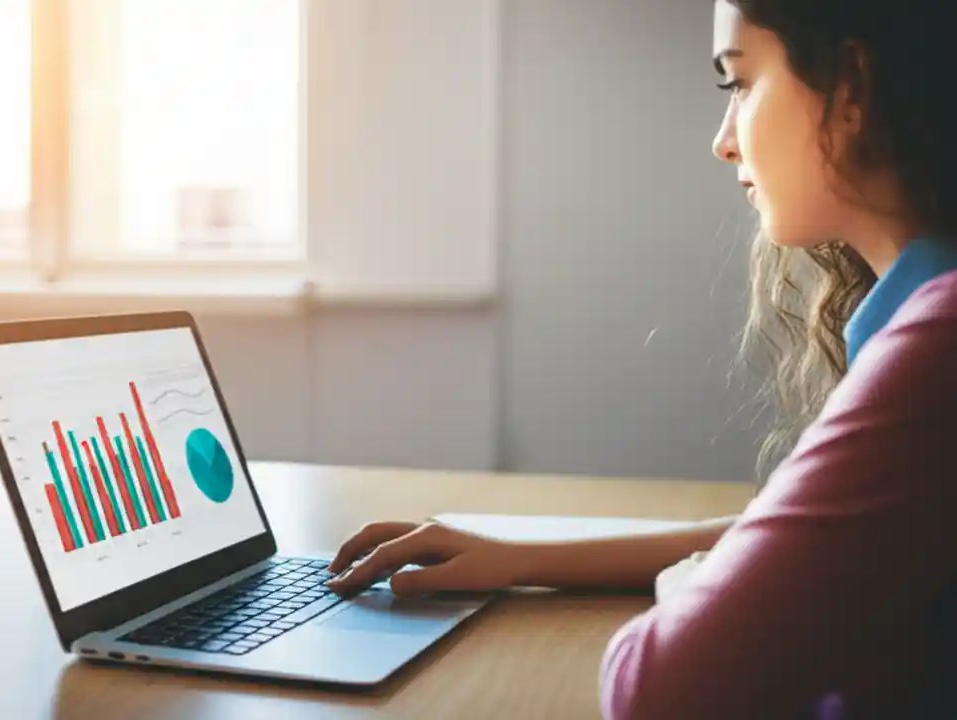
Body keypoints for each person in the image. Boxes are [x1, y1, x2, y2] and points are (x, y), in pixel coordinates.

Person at [324, 1, 957, 717]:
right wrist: (525, 558)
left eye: (740, 83)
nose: (723, 140)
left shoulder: (940, 343)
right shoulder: (926, 316)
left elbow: (658, 689)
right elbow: (808, 539)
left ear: (851, 87)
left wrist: (691, 591)